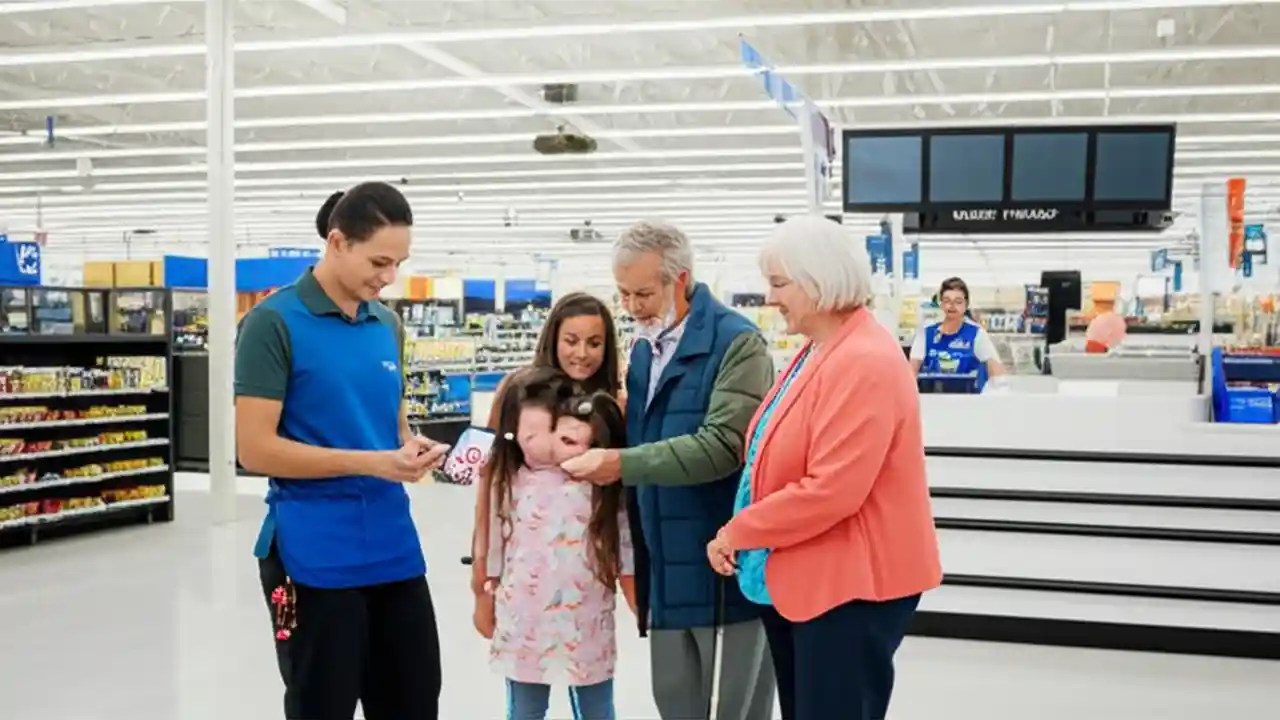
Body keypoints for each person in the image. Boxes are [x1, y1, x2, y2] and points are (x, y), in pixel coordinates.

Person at [706, 214, 942, 720]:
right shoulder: (821, 349)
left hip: (851, 586)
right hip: (812, 579)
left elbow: (832, 490)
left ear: (820, 280)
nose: (769, 298)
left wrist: (738, 531)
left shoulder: (863, 361)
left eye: (778, 283)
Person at [235, 182, 448, 720]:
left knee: (413, 699)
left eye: (398, 262)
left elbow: (391, 424)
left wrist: (411, 447)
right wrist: (374, 462)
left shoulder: (387, 325)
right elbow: (255, 450)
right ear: (337, 242)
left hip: (392, 543)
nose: (389, 276)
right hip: (312, 552)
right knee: (320, 703)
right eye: (379, 260)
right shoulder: (272, 323)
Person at [561, 220, 777, 720]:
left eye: (643, 292)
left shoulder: (737, 344)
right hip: (665, 572)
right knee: (676, 704)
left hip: (721, 573)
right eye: (623, 293)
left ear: (680, 281)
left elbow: (724, 446)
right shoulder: (642, 350)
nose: (632, 306)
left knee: (731, 709)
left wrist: (620, 463)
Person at [476, 367, 637, 720]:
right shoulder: (509, 482)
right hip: (524, 621)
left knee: (597, 708)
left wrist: (634, 592)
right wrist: (483, 595)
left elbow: (622, 541)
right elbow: (494, 545)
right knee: (525, 709)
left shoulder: (599, 480)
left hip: (587, 617)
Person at [468, 292, 623, 632]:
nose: (581, 353)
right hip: (523, 561)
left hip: (588, 566)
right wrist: (481, 567)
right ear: (553, 338)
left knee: (590, 670)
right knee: (524, 670)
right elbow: (490, 474)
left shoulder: (614, 402)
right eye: (571, 340)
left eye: (594, 343)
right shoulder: (517, 391)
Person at [910, 276, 1007, 388]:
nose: (952, 306)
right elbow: (912, 371)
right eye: (947, 301)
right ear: (941, 304)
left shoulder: (976, 334)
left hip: (968, 400)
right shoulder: (927, 333)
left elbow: (996, 371)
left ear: (966, 305)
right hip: (932, 399)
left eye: (958, 302)